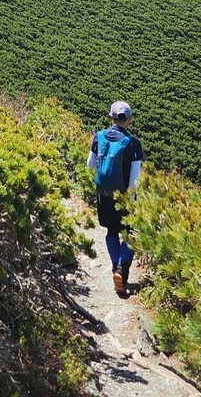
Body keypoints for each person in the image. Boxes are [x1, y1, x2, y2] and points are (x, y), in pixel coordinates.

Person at [87, 100, 144, 296]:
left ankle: (115, 267)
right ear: (129, 120)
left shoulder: (99, 136)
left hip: (103, 193)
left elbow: (89, 165)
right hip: (124, 196)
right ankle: (121, 269)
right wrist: (132, 201)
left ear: (110, 117)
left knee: (112, 231)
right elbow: (134, 179)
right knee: (131, 234)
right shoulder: (133, 144)